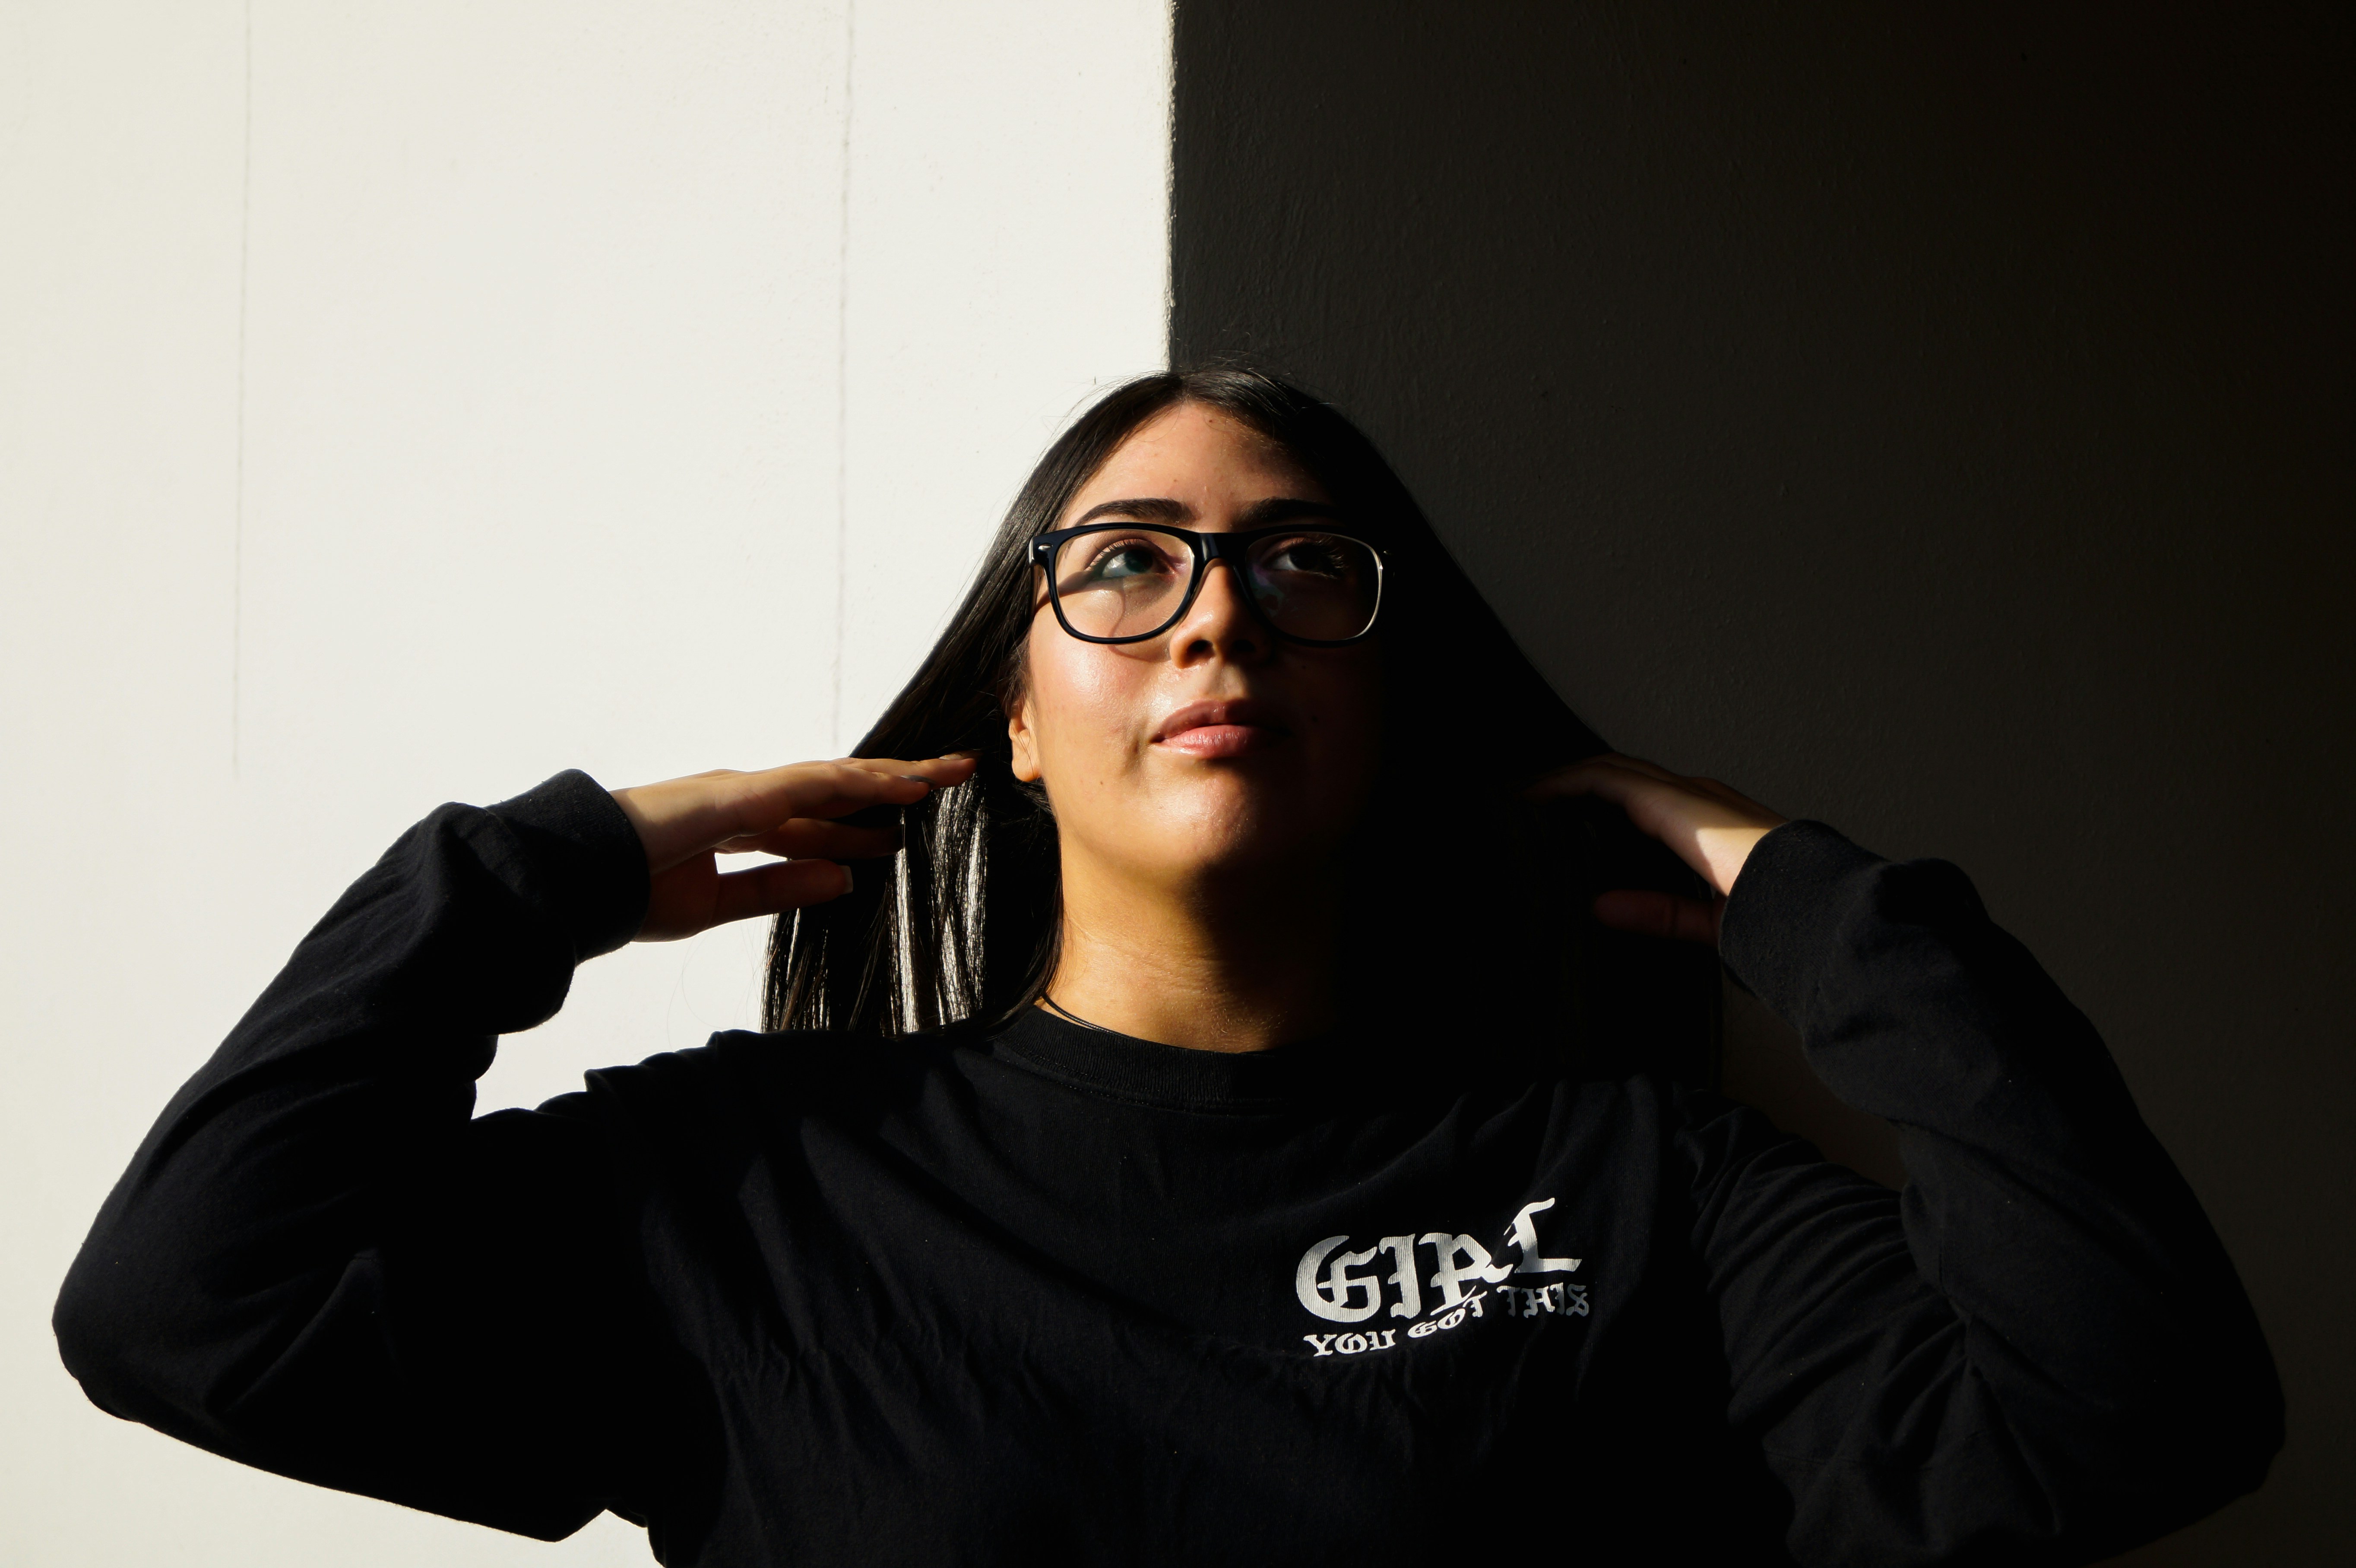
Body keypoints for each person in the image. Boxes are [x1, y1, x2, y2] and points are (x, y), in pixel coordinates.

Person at [54, 370, 2280, 1565]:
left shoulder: (1634, 1194)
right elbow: (183, 1310)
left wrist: (1820, 907)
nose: (1221, 613)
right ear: (1017, 715)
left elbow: (2136, 1422)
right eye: (1128, 566)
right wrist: (522, 880)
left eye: (1305, 569)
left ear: (1392, 702)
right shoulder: (746, 1191)